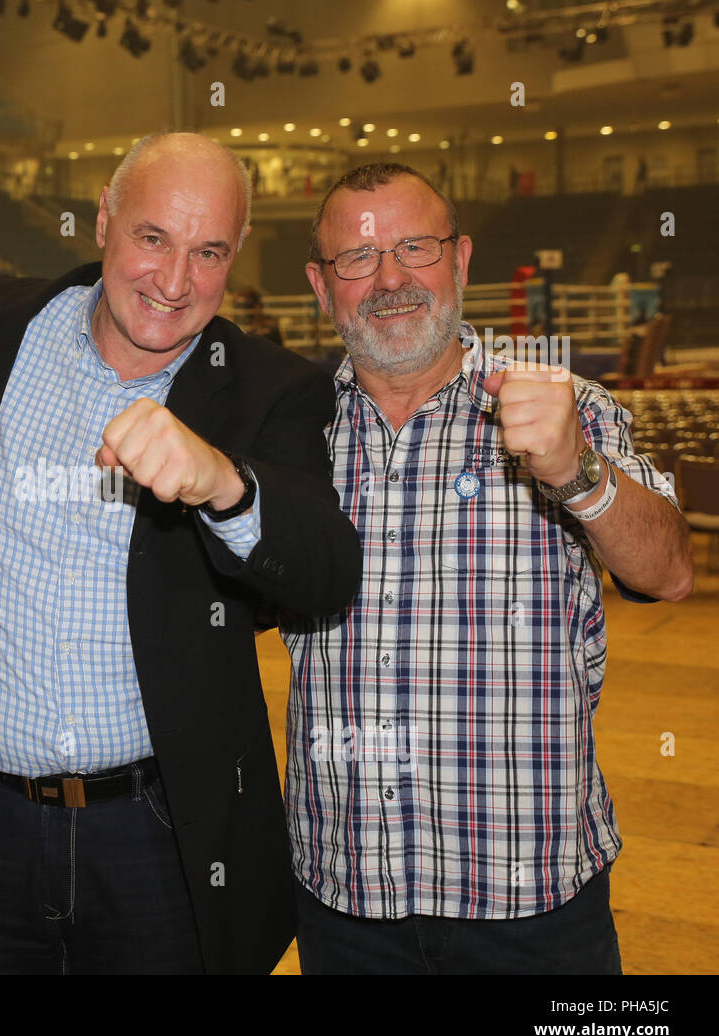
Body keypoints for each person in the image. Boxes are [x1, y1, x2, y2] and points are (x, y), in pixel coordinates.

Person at [0, 132, 361, 974]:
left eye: (207, 253)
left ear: (236, 255)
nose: (172, 282)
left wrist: (225, 485)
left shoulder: (271, 388)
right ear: (103, 220)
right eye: (153, 238)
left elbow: (327, 573)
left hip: (163, 832)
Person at [290, 161, 693, 974]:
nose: (392, 278)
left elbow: (669, 570)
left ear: (462, 259)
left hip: (534, 909)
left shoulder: (563, 403)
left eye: (416, 247)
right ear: (320, 283)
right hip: (346, 897)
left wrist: (577, 470)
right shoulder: (291, 432)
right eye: (359, 259)